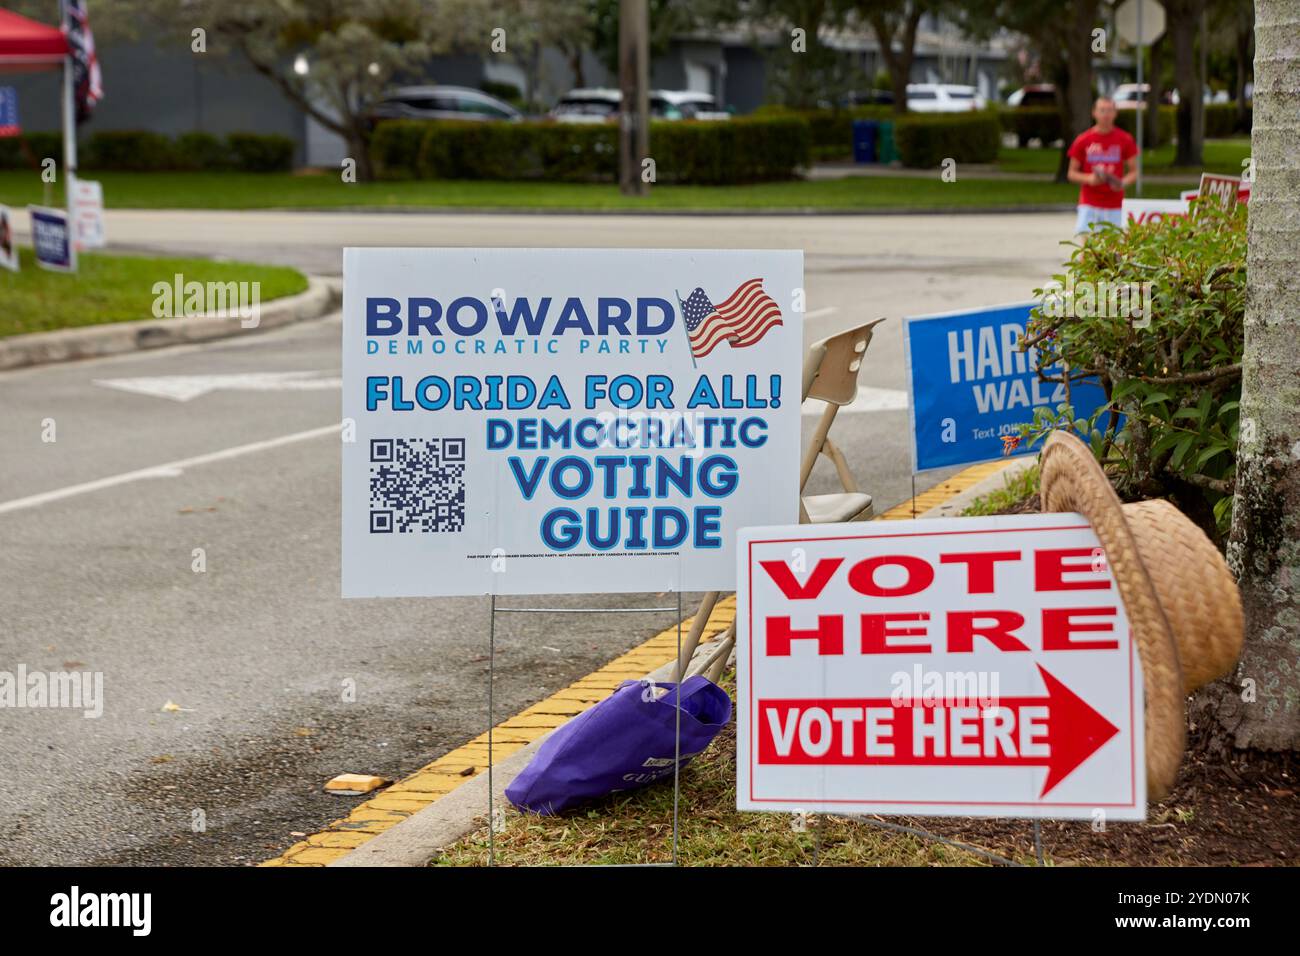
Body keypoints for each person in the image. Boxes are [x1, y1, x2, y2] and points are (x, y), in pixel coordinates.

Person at [1067, 96, 1139, 235]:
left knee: (1112, 250)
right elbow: (1071, 173)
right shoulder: (1083, 140)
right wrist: (1089, 179)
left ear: (1115, 113)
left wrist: (1122, 183)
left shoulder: (1125, 139)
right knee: (1089, 249)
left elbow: (1134, 171)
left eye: (1109, 110)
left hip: (1115, 204)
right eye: (1102, 110)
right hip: (1089, 202)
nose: (1106, 114)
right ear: (1094, 112)